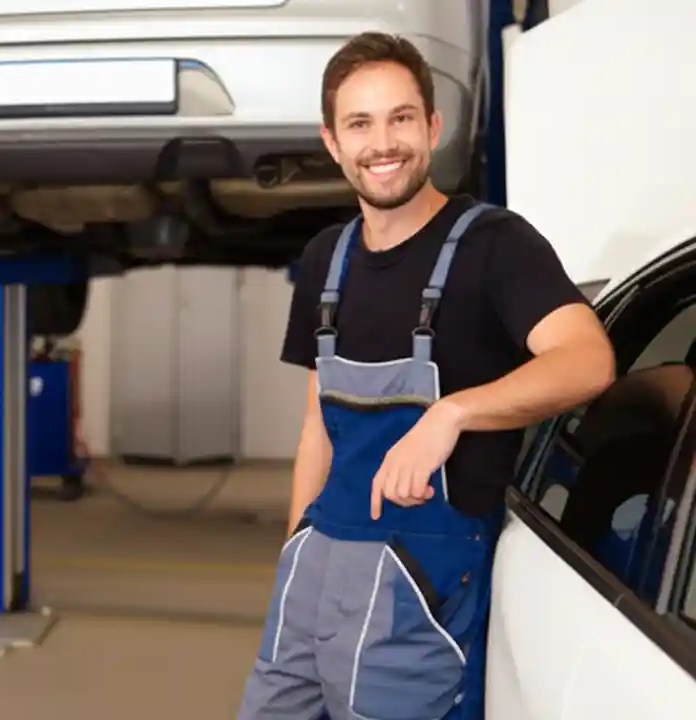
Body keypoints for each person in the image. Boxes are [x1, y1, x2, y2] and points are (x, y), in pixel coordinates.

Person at [236, 32, 616, 720]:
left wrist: (451, 414)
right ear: (332, 141)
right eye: (361, 123)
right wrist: (295, 555)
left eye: (401, 118)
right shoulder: (328, 258)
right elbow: (316, 425)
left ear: (432, 126)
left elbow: (587, 359)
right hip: (316, 572)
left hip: (421, 592)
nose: (384, 143)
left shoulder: (494, 246)